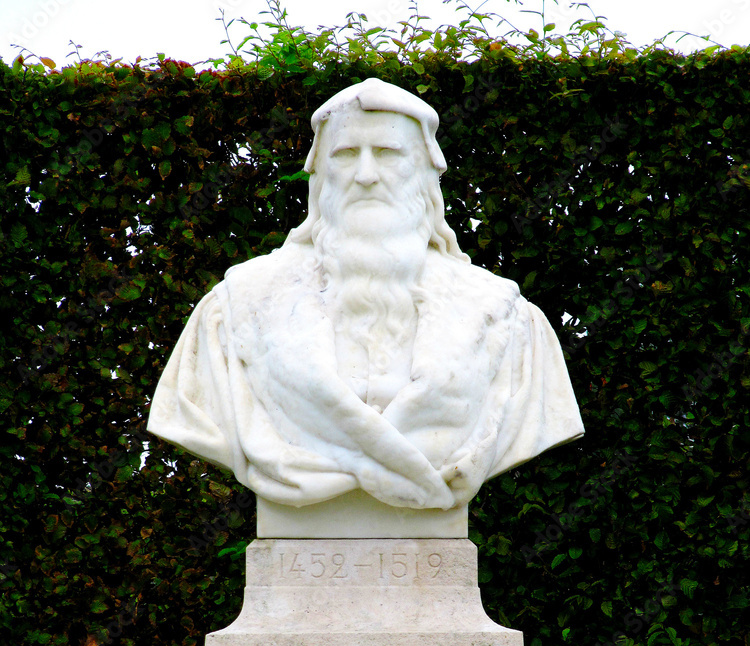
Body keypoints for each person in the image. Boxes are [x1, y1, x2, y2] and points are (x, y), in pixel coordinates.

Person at [147, 79, 584, 510]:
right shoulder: (239, 305)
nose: (366, 175)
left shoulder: (504, 317)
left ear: (426, 176)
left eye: (390, 154)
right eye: (346, 154)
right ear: (320, 178)